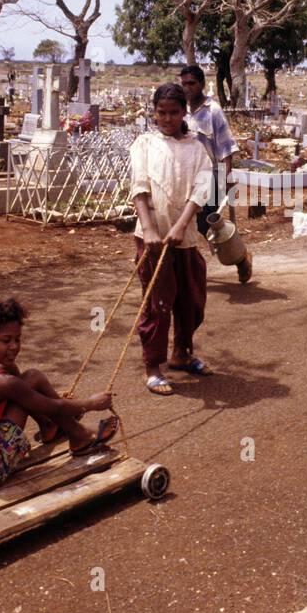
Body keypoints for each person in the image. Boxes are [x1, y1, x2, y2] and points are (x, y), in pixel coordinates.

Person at [0, 298, 116, 491]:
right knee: (31, 384)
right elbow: (55, 406)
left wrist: (12, 368)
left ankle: (49, 426)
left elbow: (18, 382)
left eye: (17, 339)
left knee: (29, 378)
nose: (14, 346)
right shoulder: (1, 383)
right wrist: (91, 403)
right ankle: (80, 435)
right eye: (6, 341)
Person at [130, 83, 215, 395]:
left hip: (185, 236)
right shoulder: (145, 144)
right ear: (154, 112)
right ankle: (154, 366)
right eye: (161, 113)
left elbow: (201, 190)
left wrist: (181, 226)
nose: (167, 119)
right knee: (158, 302)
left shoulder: (197, 148)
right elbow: (139, 188)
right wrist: (149, 228)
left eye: (174, 113)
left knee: (192, 300)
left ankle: (181, 353)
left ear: (184, 113)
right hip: (152, 237)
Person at [181, 64, 252, 283]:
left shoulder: (213, 110)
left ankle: (241, 258)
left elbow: (225, 146)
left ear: (202, 84)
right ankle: (186, 272)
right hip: (185, 177)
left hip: (209, 175)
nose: (187, 88)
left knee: (209, 224)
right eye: (184, 84)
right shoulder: (180, 111)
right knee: (184, 223)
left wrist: (227, 177)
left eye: (192, 83)